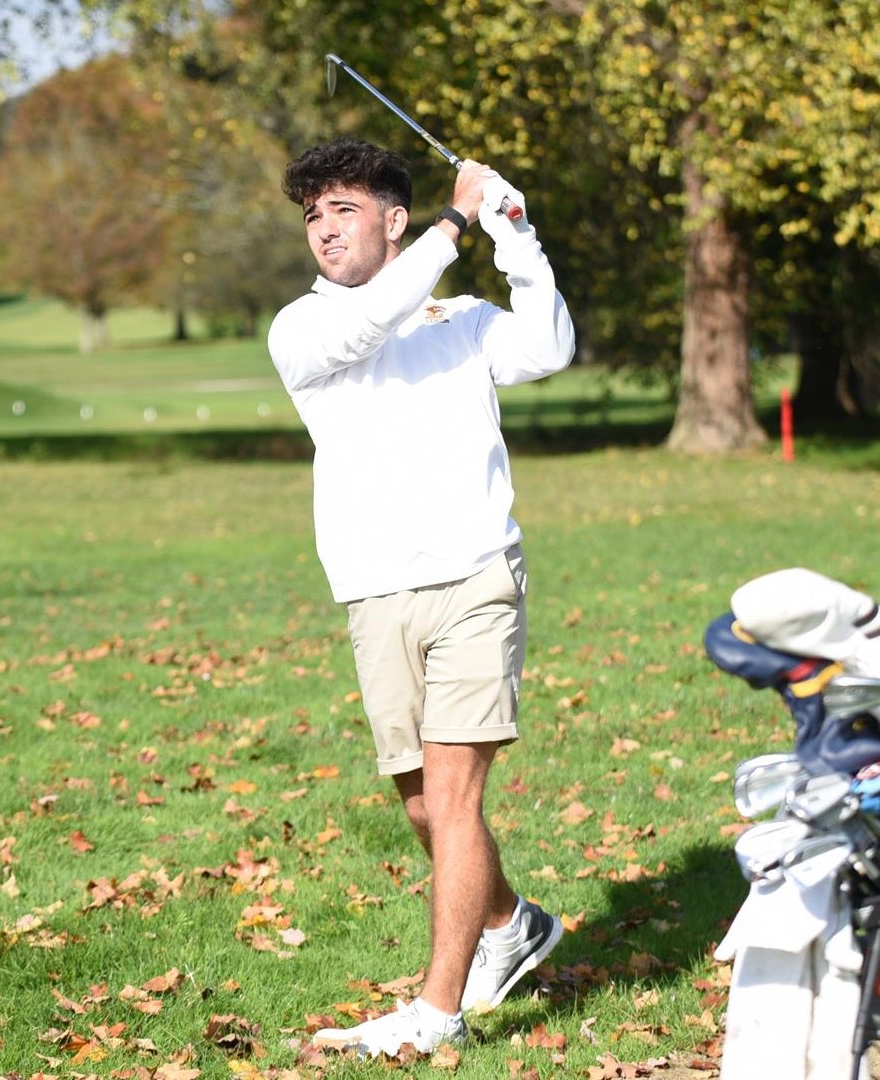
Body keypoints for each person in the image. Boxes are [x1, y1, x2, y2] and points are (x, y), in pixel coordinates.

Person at [267, 137, 575, 1057]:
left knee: (453, 800)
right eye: (314, 214)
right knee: (422, 811)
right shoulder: (302, 328)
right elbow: (370, 326)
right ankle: (512, 923)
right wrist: (457, 221)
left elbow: (550, 347)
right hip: (372, 589)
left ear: (391, 221)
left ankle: (436, 1014)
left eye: (345, 209)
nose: (325, 229)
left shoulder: (462, 316)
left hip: (477, 572)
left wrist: (513, 234)